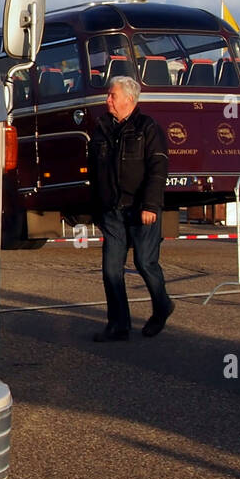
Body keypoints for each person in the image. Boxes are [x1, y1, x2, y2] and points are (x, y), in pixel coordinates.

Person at [87, 75, 175, 340]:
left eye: (113, 95)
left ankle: (162, 306)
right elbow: (95, 171)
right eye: (109, 95)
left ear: (129, 98)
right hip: (112, 212)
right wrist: (96, 207)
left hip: (140, 209)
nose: (108, 100)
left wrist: (150, 205)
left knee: (145, 263)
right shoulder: (101, 128)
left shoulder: (148, 128)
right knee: (111, 269)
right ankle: (118, 325)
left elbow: (158, 169)